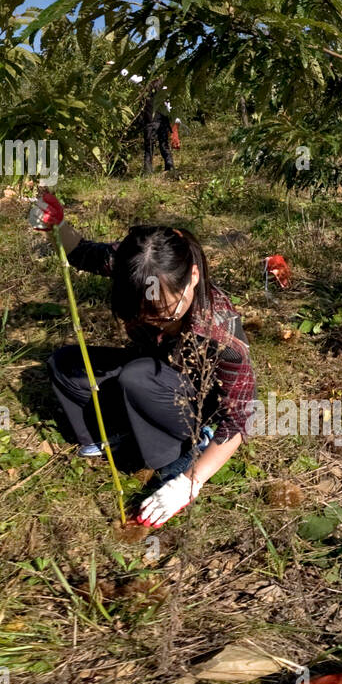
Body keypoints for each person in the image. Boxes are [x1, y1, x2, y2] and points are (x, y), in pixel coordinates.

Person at [27, 186, 252, 527]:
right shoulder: (136, 265)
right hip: (150, 368)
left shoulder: (221, 335)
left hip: (186, 398)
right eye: (142, 314)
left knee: (139, 378)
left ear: (192, 278)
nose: (152, 320)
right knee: (67, 366)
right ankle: (117, 439)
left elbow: (241, 419)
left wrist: (191, 481)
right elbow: (81, 253)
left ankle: (181, 450)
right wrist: (55, 226)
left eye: (164, 313)